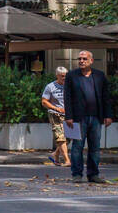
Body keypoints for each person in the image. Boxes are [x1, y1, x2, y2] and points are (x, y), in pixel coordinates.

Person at [63, 50, 113, 184]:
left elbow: (106, 97)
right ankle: (77, 174)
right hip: (78, 118)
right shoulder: (72, 76)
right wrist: (68, 116)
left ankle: (93, 174)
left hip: (96, 117)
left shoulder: (99, 76)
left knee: (95, 147)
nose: (81, 61)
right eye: (79, 59)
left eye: (84, 59)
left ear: (91, 61)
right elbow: (67, 97)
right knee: (77, 147)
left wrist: (108, 115)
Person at [41, 66, 70, 167]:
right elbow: (44, 102)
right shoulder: (50, 87)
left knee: (69, 137)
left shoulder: (70, 86)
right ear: (57, 76)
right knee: (61, 137)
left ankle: (55, 154)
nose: (64, 78)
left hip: (68, 115)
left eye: (66, 76)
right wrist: (56, 108)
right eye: (62, 76)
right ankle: (67, 160)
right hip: (55, 114)